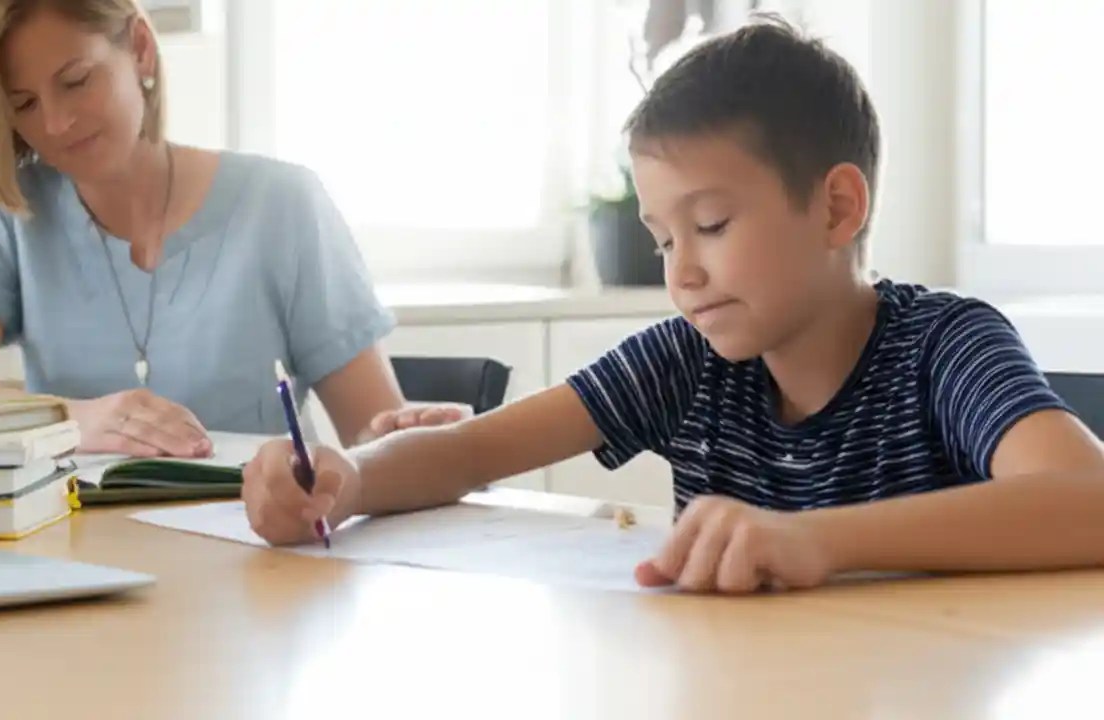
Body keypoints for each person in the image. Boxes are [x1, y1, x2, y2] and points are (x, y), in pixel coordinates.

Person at [241, 17, 1104, 593]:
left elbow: (1090, 499)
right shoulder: (687, 361)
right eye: (661, 238)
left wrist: (819, 541)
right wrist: (346, 480)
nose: (681, 273)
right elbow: (469, 452)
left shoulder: (943, 347)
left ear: (839, 208)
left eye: (712, 223)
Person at [0, 0, 462, 458]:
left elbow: (373, 432)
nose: (56, 123)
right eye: (23, 103)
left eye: (76, 80)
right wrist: (75, 419)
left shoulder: (281, 205)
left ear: (139, 49)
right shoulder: (10, 210)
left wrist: (406, 434)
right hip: (84, 551)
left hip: (267, 559)